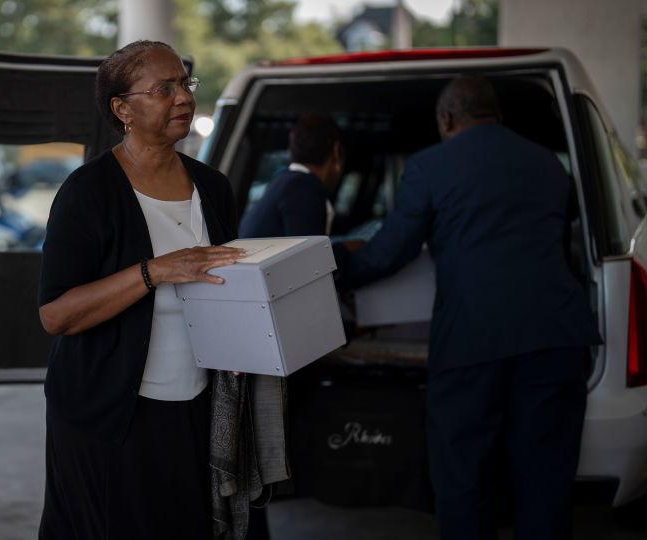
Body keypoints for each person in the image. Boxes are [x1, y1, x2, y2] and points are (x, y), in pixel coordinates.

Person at [336, 76, 602, 539]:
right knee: (546, 477)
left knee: (463, 475)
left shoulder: (430, 166)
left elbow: (390, 252)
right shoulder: (549, 164)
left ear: (446, 119)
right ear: (498, 116)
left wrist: (331, 269)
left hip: (472, 341)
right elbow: (561, 250)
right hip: (556, 336)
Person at [36, 41, 246, 540]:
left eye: (185, 85)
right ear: (123, 109)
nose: (183, 99)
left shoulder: (212, 187)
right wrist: (153, 272)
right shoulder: (87, 192)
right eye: (164, 89)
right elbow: (55, 315)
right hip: (109, 416)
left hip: (197, 408)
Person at [239, 113, 343, 238]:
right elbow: (310, 255)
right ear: (336, 150)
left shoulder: (283, 181)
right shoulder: (304, 189)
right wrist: (346, 249)